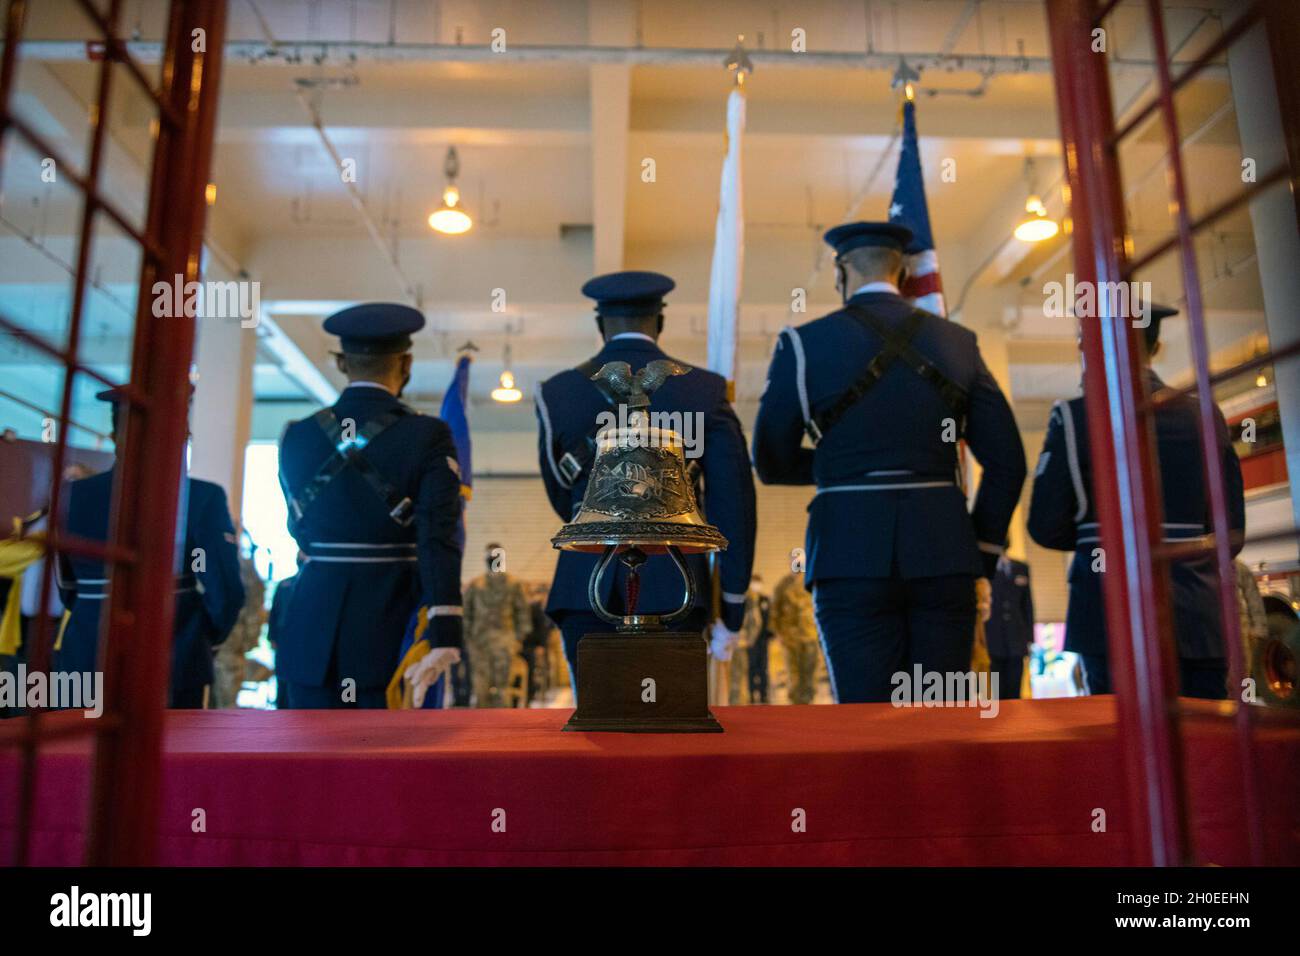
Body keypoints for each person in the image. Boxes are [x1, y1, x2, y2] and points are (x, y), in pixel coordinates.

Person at [753, 222, 1026, 703]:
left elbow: (770, 461)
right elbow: (1007, 463)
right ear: (901, 273)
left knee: (865, 719)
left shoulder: (803, 345)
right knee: (940, 714)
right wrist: (979, 556)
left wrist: (841, 470)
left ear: (841, 273)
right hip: (944, 553)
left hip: (848, 553)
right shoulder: (958, 343)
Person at [535, 271, 756, 686]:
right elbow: (734, 501)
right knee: (670, 727)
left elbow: (562, 495)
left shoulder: (557, 392)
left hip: (584, 584)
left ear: (600, 325)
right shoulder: (705, 391)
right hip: (678, 585)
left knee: (597, 729)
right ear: (661, 322)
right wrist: (733, 600)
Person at [1028, 304, 1245, 700]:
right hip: (1195, 621)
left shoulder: (1074, 417)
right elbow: (1230, 530)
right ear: (1157, 346)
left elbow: (1044, 524)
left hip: (1108, 616)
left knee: (1125, 750)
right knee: (1205, 744)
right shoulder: (1204, 415)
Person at [276, 303, 463, 708]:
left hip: (309, 627)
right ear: (407, 363)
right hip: (389, 625)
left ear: (341, 363)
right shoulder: (427, 434)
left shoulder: (297, 435)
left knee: (306, 762)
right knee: (386, 765)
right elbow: (438, 534)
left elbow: (298, 529)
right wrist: (446, 626)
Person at [56, 387, 244, 708]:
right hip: (174, 650)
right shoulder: (201, 497)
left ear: (115, 436)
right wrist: (201, 636)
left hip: (86, 650)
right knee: (170, 756)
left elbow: (68, 585)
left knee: (82, 755)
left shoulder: (73, 495)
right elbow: (225, 590)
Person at [462, 542, 531, 707]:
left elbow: (523, 612)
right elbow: (466, 614)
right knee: (480, 687)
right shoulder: (476, 585)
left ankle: (502, 726)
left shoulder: (513, 584)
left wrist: (518, 639)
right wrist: (468, 640)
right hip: (479, 642)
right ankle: (479, 728)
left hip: (505, 640)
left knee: (503, 687)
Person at [211, 541, 266, 708]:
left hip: (231, 638)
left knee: (226, 698)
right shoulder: (209, 558)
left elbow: (254, 602)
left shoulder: (243, 565)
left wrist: (250, 637)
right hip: (212, 637)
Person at [985, 556, 1033, 699]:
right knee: (996, 691)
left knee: (1015, 688)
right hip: (992, 639)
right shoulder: (985, 566)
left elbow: (1027, 605)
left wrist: (1029, 638)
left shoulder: (1020, 567)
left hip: (1016, 639)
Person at [772, 570, 820, 705]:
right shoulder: (783, 584)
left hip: (811, 634)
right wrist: (778, 633)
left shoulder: (812, 581)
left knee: (810, 671)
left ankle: (810, 701)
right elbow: (775, 609)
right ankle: (795, 704)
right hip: (790, 637)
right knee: (793, 673)